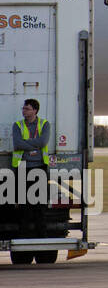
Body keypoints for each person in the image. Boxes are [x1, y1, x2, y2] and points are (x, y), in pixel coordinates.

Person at [11, 98, 50, 237]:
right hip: (22, 168)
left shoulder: (44, 124)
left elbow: (43, 141)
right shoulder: (17, 125)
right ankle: (24, 236)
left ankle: (42, 236)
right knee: (24, 206)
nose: (23, 111)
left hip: (39, 168)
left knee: (40, 206)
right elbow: (17, 144)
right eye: (23, 108)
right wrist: (34, 147)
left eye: (27, 108)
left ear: (35, 110)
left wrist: (26, 143)